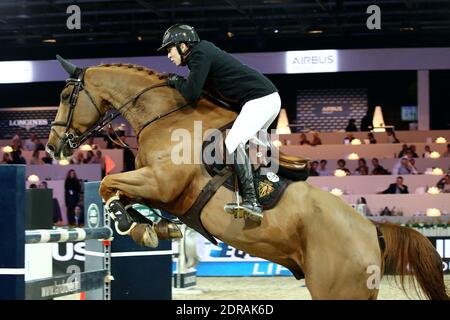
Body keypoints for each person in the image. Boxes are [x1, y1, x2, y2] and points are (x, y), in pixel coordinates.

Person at [159, 24, 280, 218]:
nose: (168, 55)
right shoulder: (200, 55)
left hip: (260, 100)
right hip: (264, 100)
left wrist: (175, 81)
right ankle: (263, 193)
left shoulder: (200, 53)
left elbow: (191, 93)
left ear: (183, 46)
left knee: (232, 143)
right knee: (249, 152)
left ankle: (251, 202)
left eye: (169, 49)